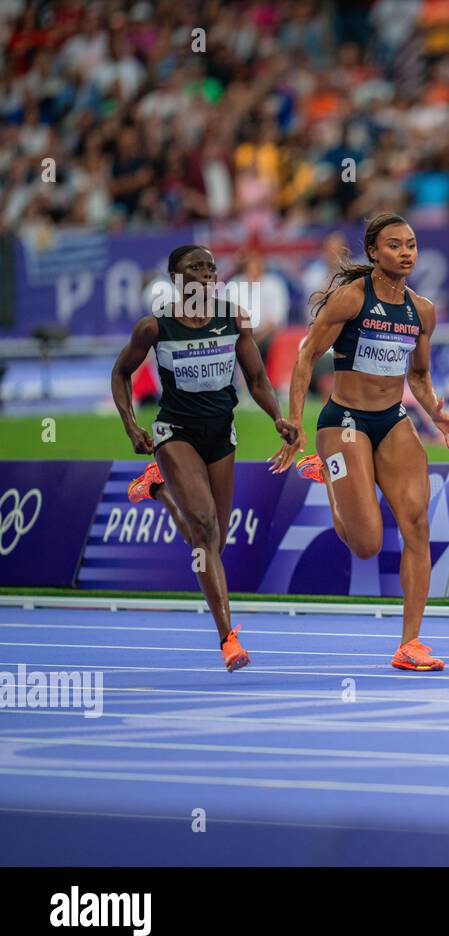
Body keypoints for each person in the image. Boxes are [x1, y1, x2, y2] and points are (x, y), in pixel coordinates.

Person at [274, 213, 449, 671]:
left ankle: (410, 643)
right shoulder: (349, 299)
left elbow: (418, 375)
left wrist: (435, 410)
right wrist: (295, 422)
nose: (406, 253)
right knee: (366, 543)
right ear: (373, 253)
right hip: (343, 420)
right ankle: (327, 472)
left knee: (417, 525)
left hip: (392, 419)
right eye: (395, 245)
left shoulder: (422, 311)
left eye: (412, 245)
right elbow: (305, 358)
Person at [114, 244, 298, 671]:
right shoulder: (154, 327)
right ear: (176, 278)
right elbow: (121, 373)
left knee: (212, 540)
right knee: (206, 526)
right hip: (175, 433)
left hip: (221, 434)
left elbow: (256, 377)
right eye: (195, 267)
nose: (206, 273)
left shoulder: (233, 318)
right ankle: (228, 638)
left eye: (211, 267)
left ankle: (157, 489)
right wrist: (130, 425)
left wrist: (278, 418)